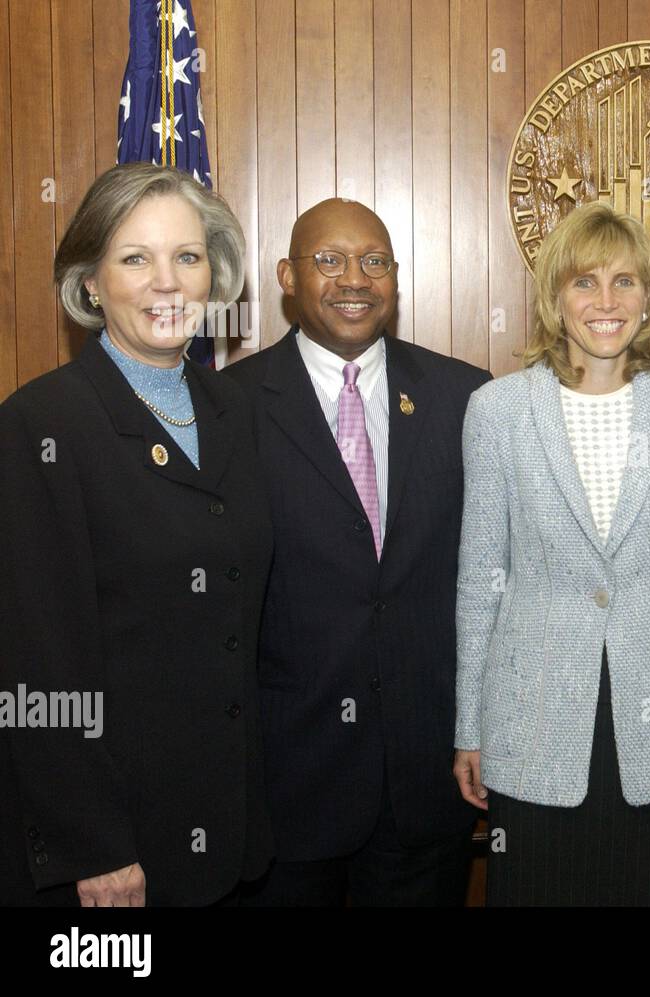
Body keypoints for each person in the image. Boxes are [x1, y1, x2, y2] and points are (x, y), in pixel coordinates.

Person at [453, 201, 650, 906]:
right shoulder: (498, 412)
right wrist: (469, 726)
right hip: (531, 722)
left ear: (649, 299)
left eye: (626, 281)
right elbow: (479, 584)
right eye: (584, 282)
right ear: (555, 299)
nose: (606, 301)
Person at [0, 163, 274, 906]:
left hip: (227, 829)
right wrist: (92, 843)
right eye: (135, 258)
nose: (167, 282)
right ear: (90, 283)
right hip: (115, 851)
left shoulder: (234, 410)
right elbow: (37, 663)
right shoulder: (42, 426)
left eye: (187, 257)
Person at [226, 199, 490, 906]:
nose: (355, 279)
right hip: (285, 785)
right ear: (287, 275)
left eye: (375, 262)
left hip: (427, 783)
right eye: (330, 261)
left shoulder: (465, 397)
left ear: (395, 280)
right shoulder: (227, 407)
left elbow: (505, 568)